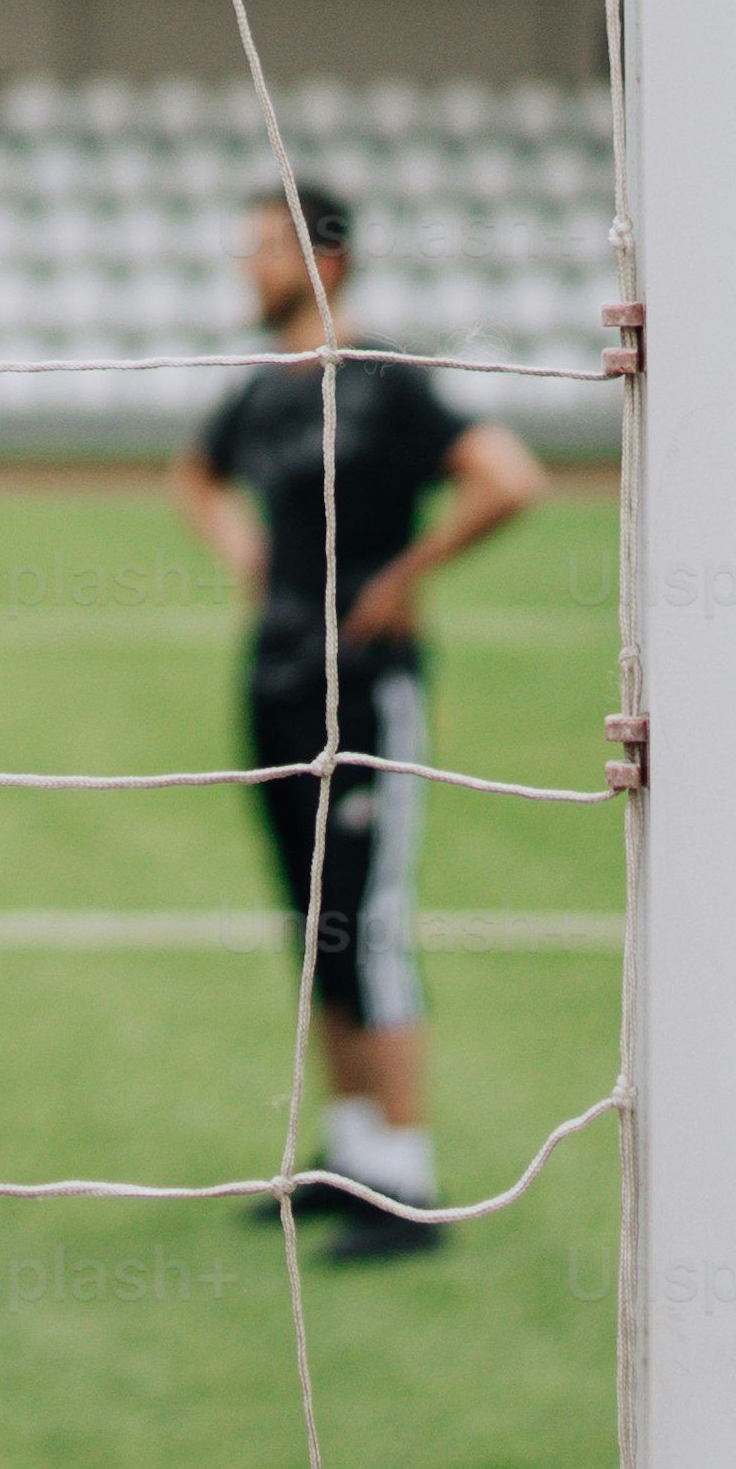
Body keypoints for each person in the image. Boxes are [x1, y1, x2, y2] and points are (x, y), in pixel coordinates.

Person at [170, 180, 546, 1259]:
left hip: (367, 683)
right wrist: (246, 556)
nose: (248, 266)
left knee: (368, 922)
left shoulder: (385, 380)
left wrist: (406, 573)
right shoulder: (264, 390)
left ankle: (409, 1178)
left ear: (324, 262)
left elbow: (508, 479)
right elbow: (192, 478)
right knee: (313, 917)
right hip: (277, 677)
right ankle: (349, 1150)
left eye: (265, 249)